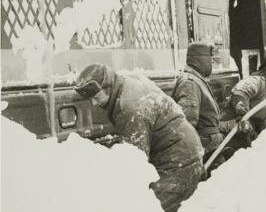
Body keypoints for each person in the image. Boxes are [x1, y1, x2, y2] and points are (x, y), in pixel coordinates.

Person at [75, 63, 203, 212]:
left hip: (180, 163)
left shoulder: (129, 109)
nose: (94, 103)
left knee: (147, 206)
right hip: (185, 149)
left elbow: (135, 162)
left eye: (96, 97)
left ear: (108, 87)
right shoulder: (126, 82)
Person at [172, 42, 226, 173]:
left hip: (212, 147)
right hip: (205, 151)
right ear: (200, 60)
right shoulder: (189, 83)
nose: (212, 63)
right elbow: (186, 124)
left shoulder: (197, 80)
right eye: (210, 59)